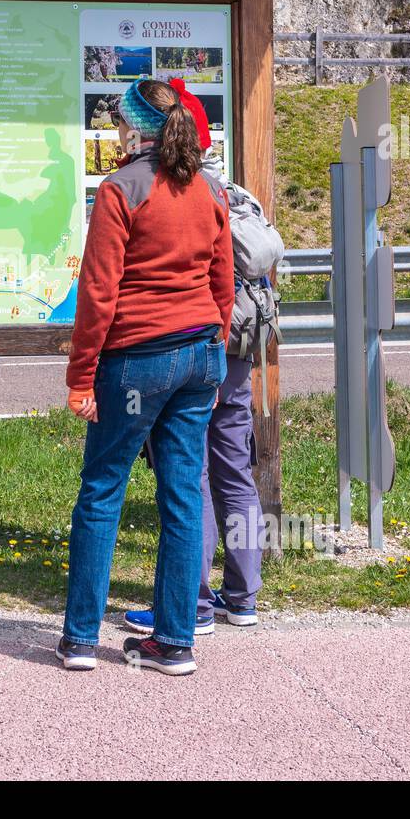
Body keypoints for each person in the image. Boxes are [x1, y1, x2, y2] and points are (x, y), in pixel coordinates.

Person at [57, 77, 234, 676]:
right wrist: (216, 346)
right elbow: (223, 281)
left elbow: (99, 292)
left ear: (135, 129)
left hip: (137, 357)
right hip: (200, 353)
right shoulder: (209, 188)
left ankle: (81, 640)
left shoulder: (120, 188)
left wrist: (81, 376)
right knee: (183, 495)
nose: (116, 132)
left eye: (119, 123)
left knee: (102, 490)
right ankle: (174, 643)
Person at [123, 121, 283, 640]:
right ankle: (243, 599)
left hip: (197, 348)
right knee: (235, 472)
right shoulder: (237, 194)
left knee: (190, 476)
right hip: (238, 352)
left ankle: (191, 603)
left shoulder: (187, 191)